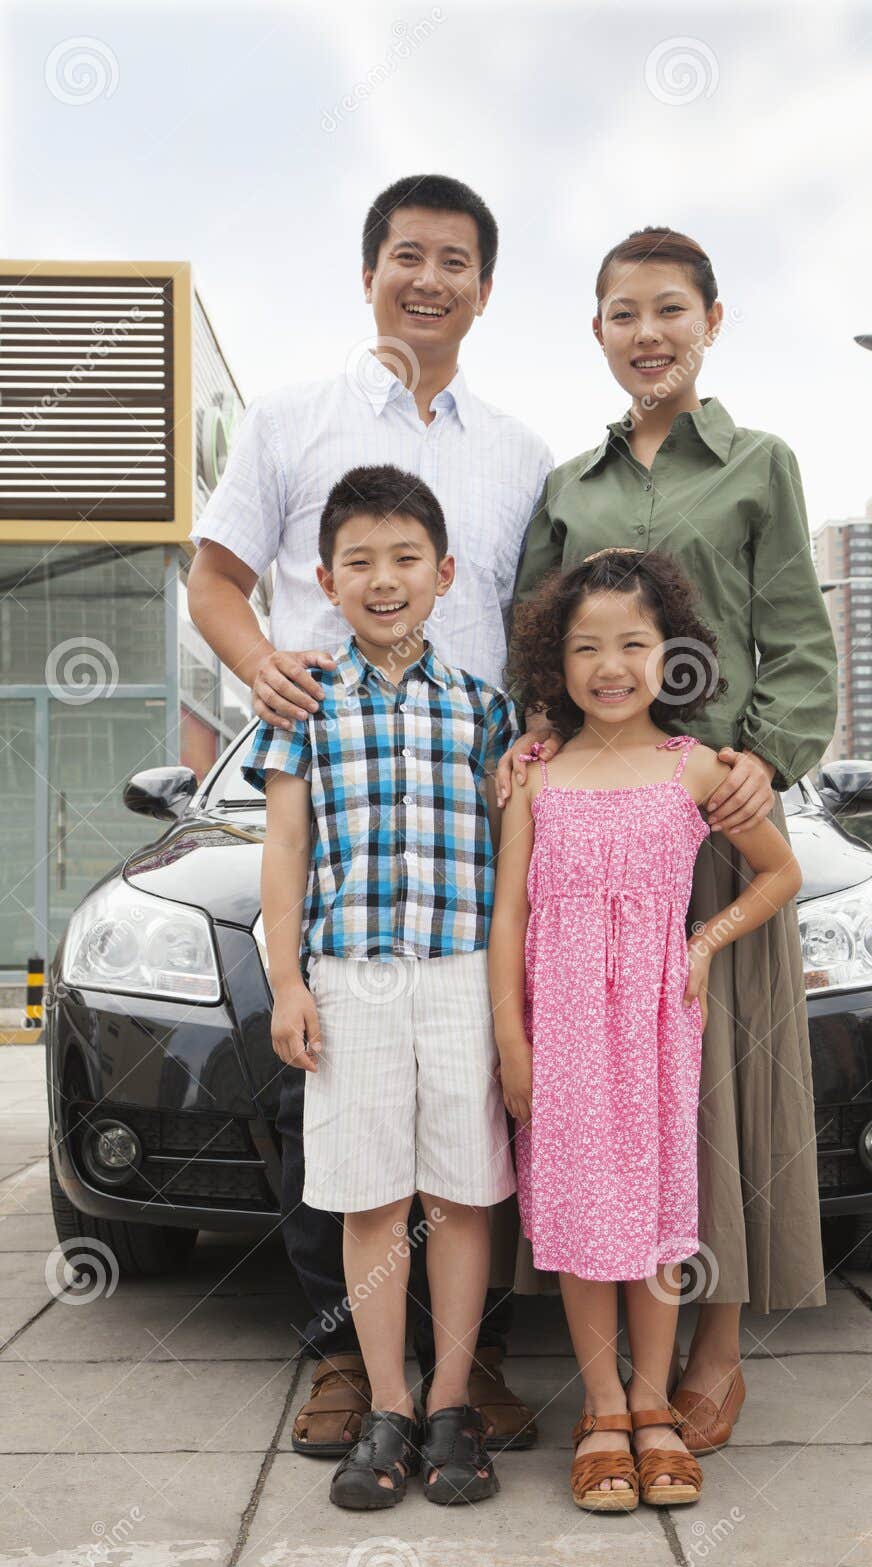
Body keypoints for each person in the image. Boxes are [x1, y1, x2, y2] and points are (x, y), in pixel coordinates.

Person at [188, 174, 551, 1457]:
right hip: (321, 784)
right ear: (369, 274)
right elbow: (216, 578)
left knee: (468, 1138)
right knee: (333, 1122)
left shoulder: (518, 451)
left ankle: (468, 1372)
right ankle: (353, 1366)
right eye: (408, 256)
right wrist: (261, 671)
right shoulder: (292, 419)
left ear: (486, 288)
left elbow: (536, 625)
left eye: (457, 260)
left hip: (470, 816)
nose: (431, 280)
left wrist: (541, 735)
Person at [496, 226, 837, 1458]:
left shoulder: (757, 465)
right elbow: (541, 638)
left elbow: (797, 633)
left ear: (712, 321)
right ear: (596, 332)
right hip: (591, 810)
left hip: (714, 800)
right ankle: (608, 1374)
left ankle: (719, 1351)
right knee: (604, 1100)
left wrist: (766, 755)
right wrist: (534, 740)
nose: (648, 333)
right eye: (624, 314)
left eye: (670, 311)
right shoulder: (565, 492)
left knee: (721, 1095)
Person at [489, 549, 802, 1511]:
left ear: (672, 657)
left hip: (659, 1028)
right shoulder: (537, 775)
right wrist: (512, 1040)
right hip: (563, 1030)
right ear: (558, 662)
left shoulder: (695, 766)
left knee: (662, 1215)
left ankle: (654, 1403)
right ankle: (600, 1409)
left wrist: (705, 941)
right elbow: (508, 917)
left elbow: (778, 873)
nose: (610, 666)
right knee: (584, 1220)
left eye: (633, 643)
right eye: (586, 647)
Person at [245, 465, 516, 1509]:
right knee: (370, 1194)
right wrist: (288, 981)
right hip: (350, 978)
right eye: (359, 561)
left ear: (444, 574)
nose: (384, 578)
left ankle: (453, 1400)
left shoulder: (482, 710)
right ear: (326, 578)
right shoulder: (303, 701)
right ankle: (390, 1402)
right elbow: (284, 849)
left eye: (406, 558)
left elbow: (512, 850)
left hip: (456, 975)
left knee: (456, 1191)